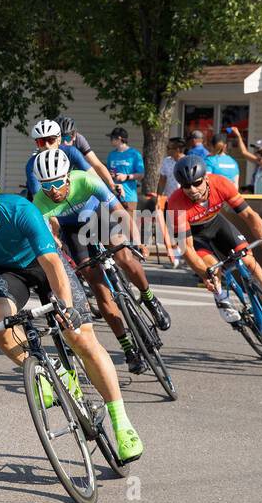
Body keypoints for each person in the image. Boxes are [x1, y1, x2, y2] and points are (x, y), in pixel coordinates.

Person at [0, 167, 145, 462]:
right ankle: (47, 371)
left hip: (42, 263)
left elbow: (52, 263)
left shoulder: (21, 210)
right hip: (7, 273)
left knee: (81, 337)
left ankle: (121, 422)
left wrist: (65, 307)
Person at [30, 147, 171, 378]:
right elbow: (48, 241)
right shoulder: (40, 202)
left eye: (57, 183)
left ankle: (149, 298)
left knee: (124, 255)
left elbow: (119, 211)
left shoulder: (85, 180)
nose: (53, 191)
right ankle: (128, 348)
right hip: (73, 232)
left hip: (98, 216)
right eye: (46, 185)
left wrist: (136, 240)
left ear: (67, 176)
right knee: (99, 288)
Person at [165, 156, 262, 327]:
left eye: (197, 183)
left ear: (206, 178)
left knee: (250, 263)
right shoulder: (175, 204)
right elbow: (187, 249)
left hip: (217, 224)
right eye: (186, 185)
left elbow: (249, 215)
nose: (192, 189)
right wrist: (204, 274)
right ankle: (221, 297)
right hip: (196, 236)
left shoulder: (221, 183)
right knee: (212, 270)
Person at [55, 116, 122, 196]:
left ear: (74, 136)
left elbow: (97, 164)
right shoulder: (51, 143)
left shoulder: (79, 140)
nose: (65, 143)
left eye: (68, 138)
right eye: (62, 139)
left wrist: (111, 185)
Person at [155, 137, 187, 267]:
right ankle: (176, 257)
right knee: (171, 229)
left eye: (170, 148)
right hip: (170, 199)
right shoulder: (166, 162)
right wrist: (158, 196)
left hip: (185, 200)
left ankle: (185, 256)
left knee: (183, 230)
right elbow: (162, 180)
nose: (167, 150)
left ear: (178, 150)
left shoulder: (187, 161)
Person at [105, 127, 144, 216]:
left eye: (112, 138)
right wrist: (111, 175)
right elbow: (109, 172)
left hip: (129, 197)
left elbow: (141, 175)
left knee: (128, 227)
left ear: (119, 139)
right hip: (114, 197)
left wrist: (126, 176)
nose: (110, 140)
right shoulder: (112, 155)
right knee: (114, 228)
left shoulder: (135, 154)